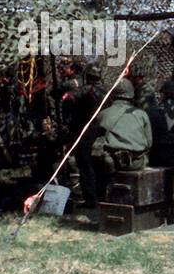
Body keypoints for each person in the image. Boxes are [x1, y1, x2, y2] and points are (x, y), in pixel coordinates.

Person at [91, 79, 153, 195]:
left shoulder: (103, 114)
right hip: (136, 163)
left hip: (112, 164)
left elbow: (96, 139)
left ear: (112, 95)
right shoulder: (141, 114)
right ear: (131, 96)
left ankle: (101, 196)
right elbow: (149, 143)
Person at [63, 65, 105, 211]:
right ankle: (100, 197)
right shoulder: (106, 91)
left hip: (86, 134)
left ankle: (91, 200)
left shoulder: (86, 90)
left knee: (86, 166)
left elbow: (67, 99)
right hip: (103, 133)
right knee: (99, 166)